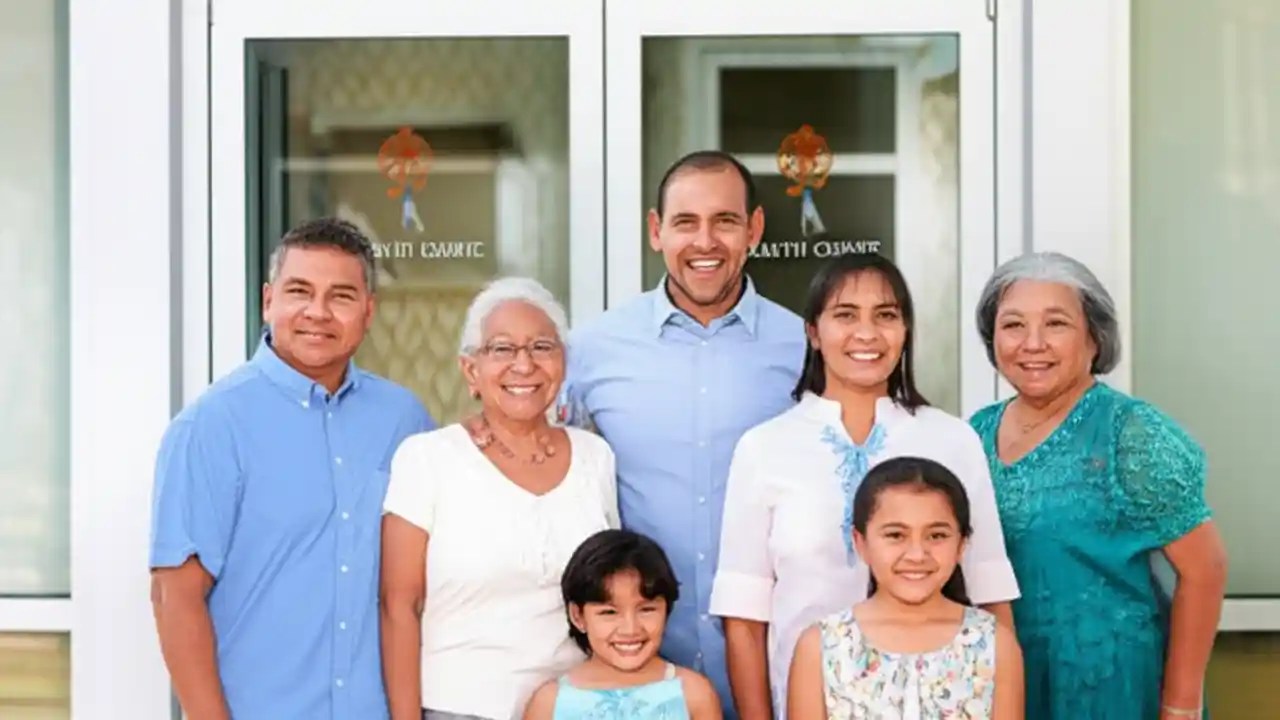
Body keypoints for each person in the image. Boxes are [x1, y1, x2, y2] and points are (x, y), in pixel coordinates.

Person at [710, 252, 1020, 720]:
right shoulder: (764, 448)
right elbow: (744, 619)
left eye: (886, 316)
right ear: (813, 332)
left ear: (906, 331)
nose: (867, 333)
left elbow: (989, 590)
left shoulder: (952, 439)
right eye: (845, 315)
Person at [148, 217, 435, 719]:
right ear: (268, 301)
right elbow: (176, 598)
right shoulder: (212, 426)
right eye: (299, 291)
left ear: (368, 312)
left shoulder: (405, 421)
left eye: (341, 296)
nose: (317, 313)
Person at [561, 150, 806, 717]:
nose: (705, 242)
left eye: (725, 221)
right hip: (634, 671)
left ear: (755, 230)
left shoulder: (804, 348)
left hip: (772, 665)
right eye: (685, 223)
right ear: (656, 231)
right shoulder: (593, 350)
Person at [968, 251, 1228, 720]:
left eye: (1056, 324)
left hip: (1111, 684)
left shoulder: (1131, 433)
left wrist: (1181, 704)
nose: (1033, 343)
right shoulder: (973, 435)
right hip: (1006, 681)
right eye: (1013, 325)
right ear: (992, 339)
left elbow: (1204, 571)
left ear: (1094, 338)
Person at [380, 276, 621, 720]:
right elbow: (399, 606)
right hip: (459, 708)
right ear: (471, 370)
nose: (524, 364)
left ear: (563, 363)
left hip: (575, 707)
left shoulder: (595, 457)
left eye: (541, 347)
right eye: (502, 349)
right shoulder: (427, 459)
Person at [787, 456, 1024, 720]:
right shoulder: (822, 646)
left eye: (936, 536)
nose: (916, 554)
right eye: (895, 535)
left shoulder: (992, 643)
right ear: (860, 542)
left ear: (961, 545)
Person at [522, 529, 722, 720]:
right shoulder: (550, 704)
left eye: (647, 610)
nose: (630, 629)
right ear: (578, 616)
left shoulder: (693, 694)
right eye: (609, 612)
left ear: (667, 609)